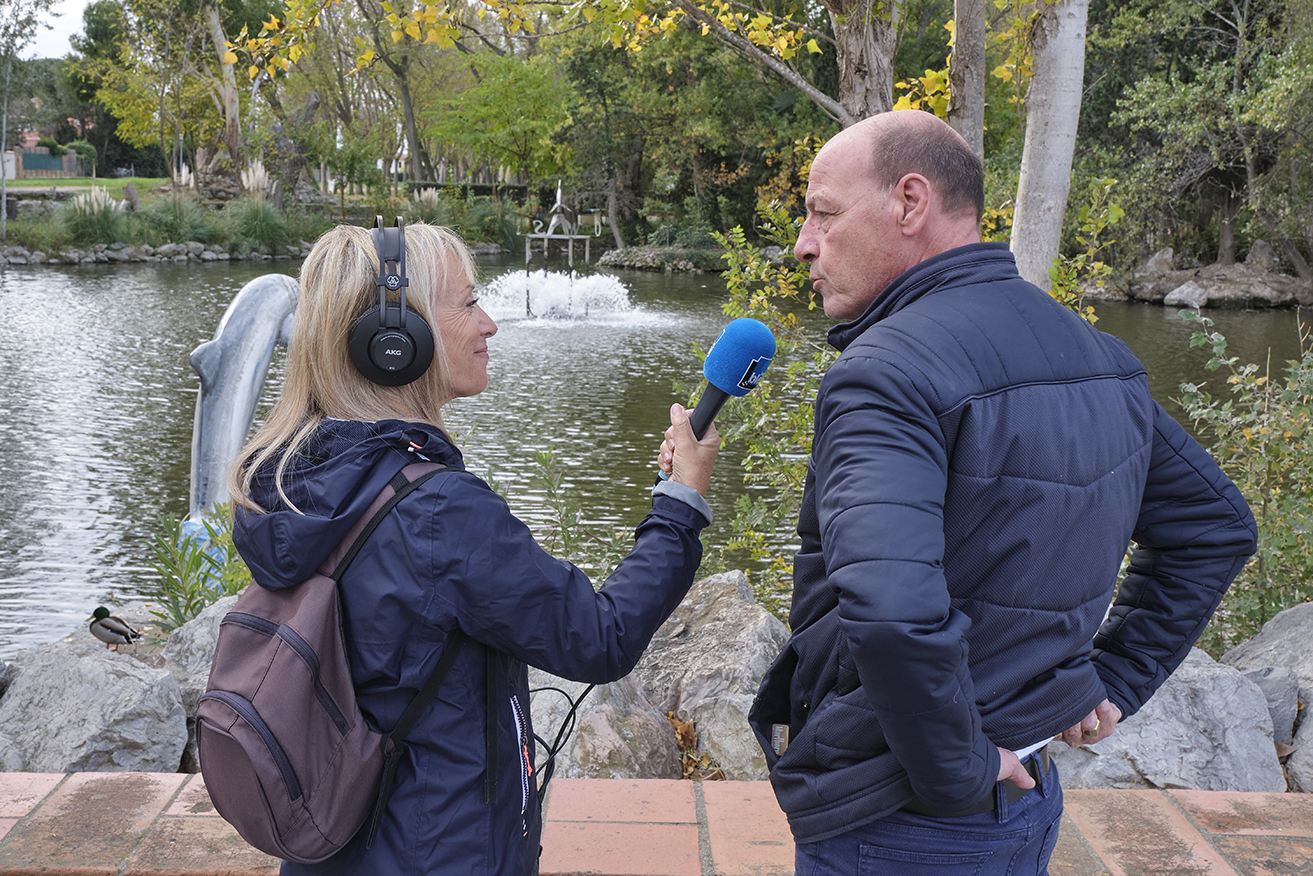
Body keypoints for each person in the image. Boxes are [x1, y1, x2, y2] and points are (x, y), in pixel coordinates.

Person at [748, 109, 1258, 875]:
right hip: (1023, 797)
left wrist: (958, 772)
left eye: (822, 213)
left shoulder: (883, 374)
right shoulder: (1098, 354)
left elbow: (890, 612)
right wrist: (1106, 683)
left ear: (910, 202)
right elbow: (1216, 526)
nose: (804, 244)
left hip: (904, 817)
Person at [227, 221, 719, 876]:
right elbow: (597, 637)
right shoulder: (437, 512)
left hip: (336, 846)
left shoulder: (290, 482)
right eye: (467, 302)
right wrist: (678, 505)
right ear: (392, 341)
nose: (488, 324)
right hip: (439, 852)